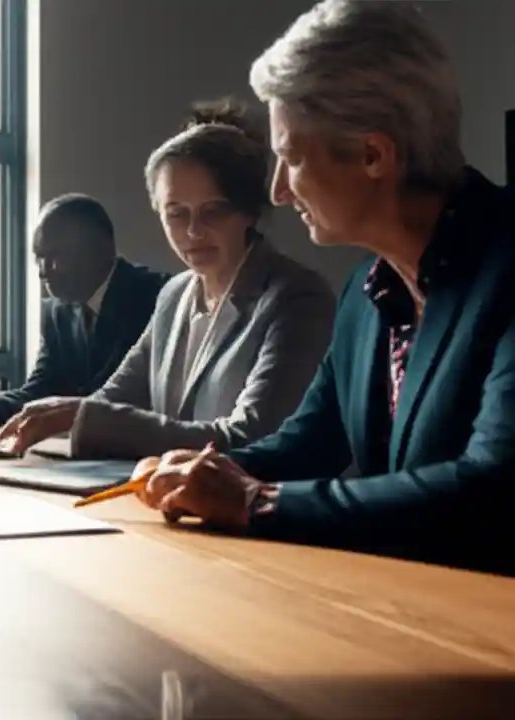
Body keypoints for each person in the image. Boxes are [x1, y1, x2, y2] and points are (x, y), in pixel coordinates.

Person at [139, 0, 515, 573]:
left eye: (289, 157)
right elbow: (307, 445)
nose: (277, 192)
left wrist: (254, 502)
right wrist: (194, 470)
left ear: (372, 155)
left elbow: (493, 490)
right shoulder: (369, 293)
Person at [0, 101, 335, 459]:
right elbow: (112, 399)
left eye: (213, 211)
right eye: (176, 214)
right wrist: (55, 415)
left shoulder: (296, 298)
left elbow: (252, 437)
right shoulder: (174, 294)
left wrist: (82, 416)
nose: (193, 231)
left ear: (248, 211)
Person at [0, 194, 169, 428]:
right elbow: (41, 392)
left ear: (102, 250)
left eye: (55, 256)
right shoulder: (56, 314)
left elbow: (132, 400)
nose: (43, 271)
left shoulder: (160, 298)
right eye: (39, 257)